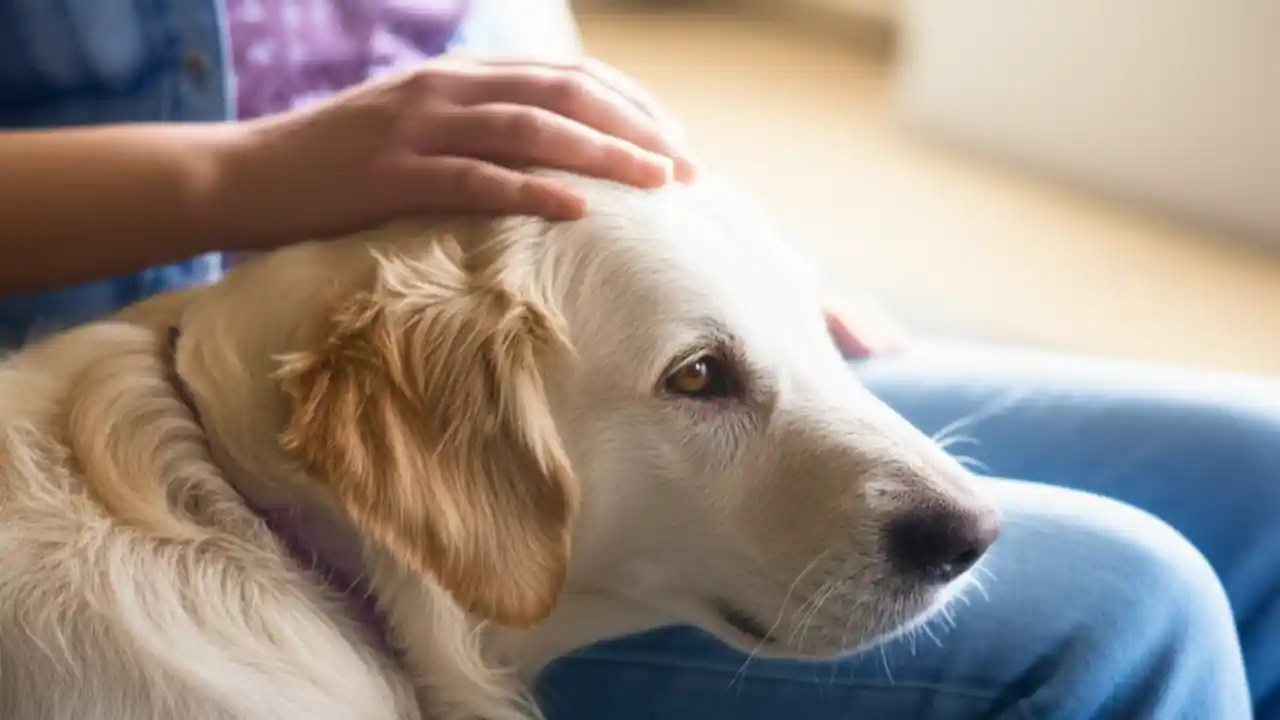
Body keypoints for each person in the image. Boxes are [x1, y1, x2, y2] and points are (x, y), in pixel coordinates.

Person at [1, 2, 1274, 718]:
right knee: (1128, 614)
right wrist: (235, 177)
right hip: (318, 444)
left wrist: (697, 240)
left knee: (1261, 479)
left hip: (614, 297)